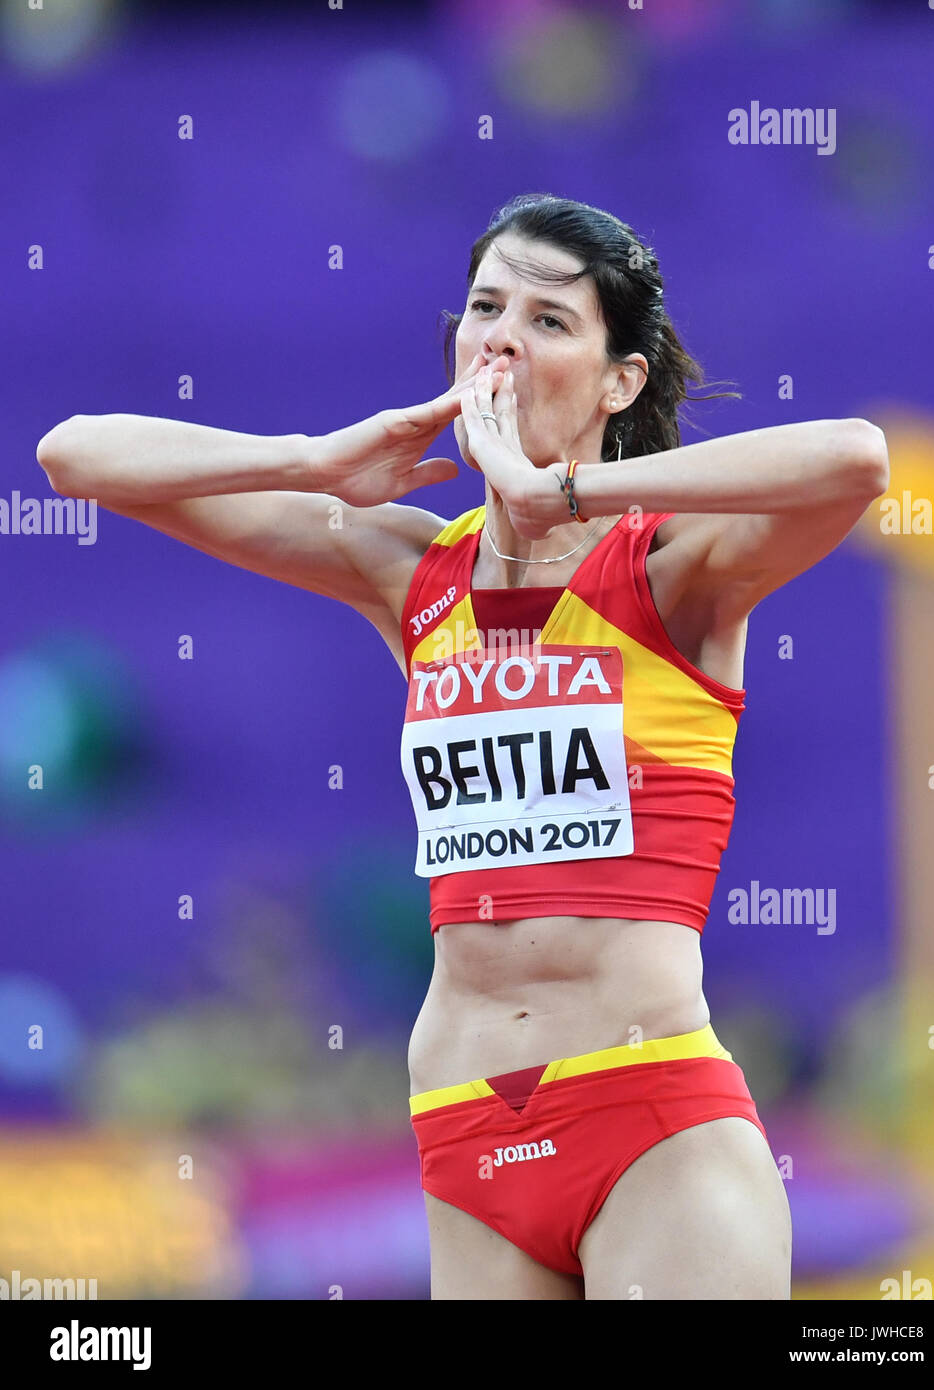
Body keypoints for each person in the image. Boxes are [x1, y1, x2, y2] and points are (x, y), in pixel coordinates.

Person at [36, 193, 889, 1301]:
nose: (500, 335)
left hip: (649, 1119)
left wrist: (567, 490)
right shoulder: (408, 572)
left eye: (547, 320)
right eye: (484, 306)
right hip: (462, 1131)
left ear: (617, 380)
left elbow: (854, 461)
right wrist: (313, 459)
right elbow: (75, 457)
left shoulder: (672, 570)